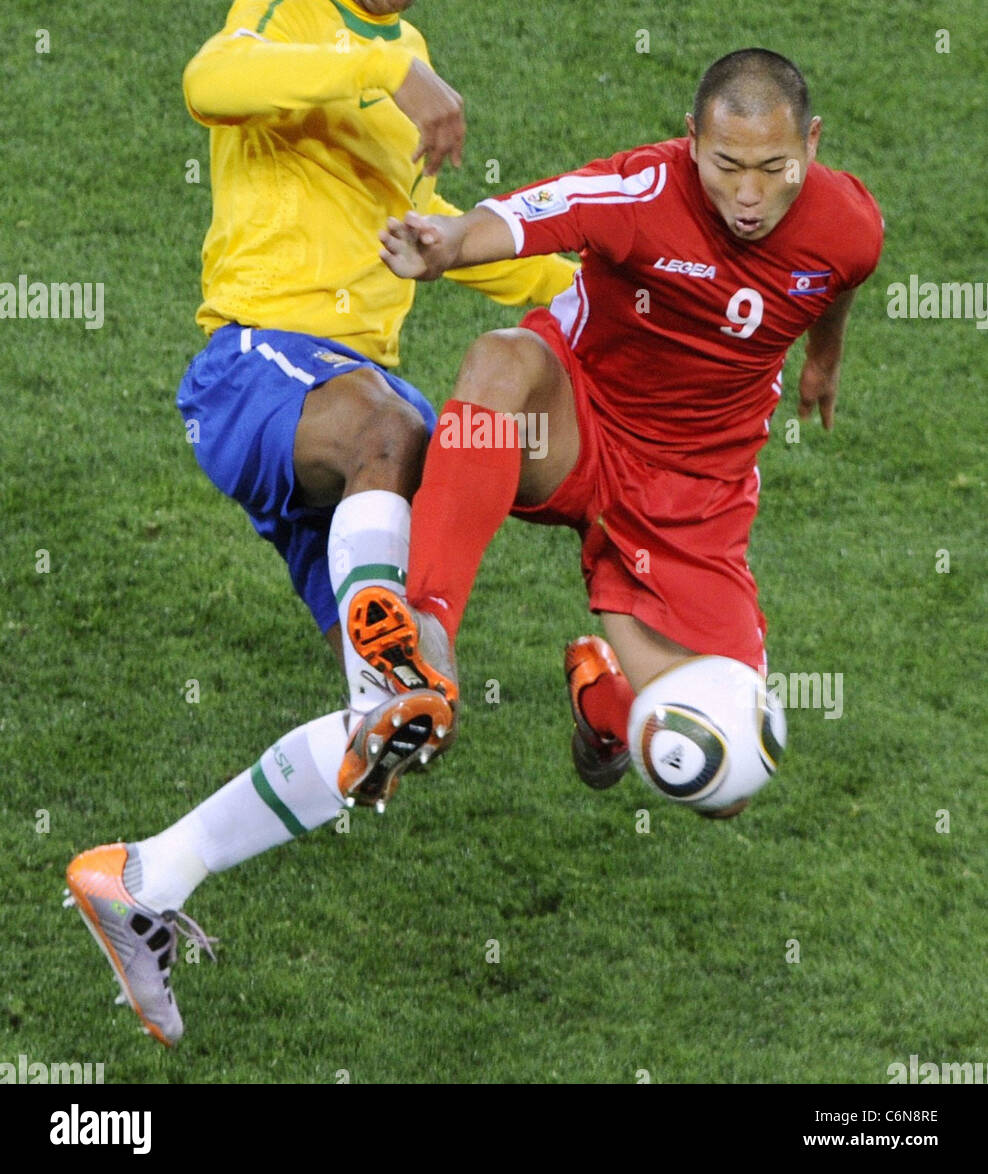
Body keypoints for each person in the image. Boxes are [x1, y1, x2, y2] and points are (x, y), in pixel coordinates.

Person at [63, 0, 573, 1047]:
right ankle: (386, 659)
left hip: (345, 418)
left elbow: (426, 224)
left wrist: (603, 282)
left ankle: (144, 877)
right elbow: (210, 80)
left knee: (401, 733)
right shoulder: (280, 16)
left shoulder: (401, 54)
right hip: (261, 368)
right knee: (399, 420)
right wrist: (374, 73)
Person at [350, 47, 883, 810]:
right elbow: (526, 214)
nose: (749, 194)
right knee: (502, 359)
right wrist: (448, 246)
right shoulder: (644, 189)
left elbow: (838, 279)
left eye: (775, 167)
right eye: (727, 164)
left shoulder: (850, 225)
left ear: (813, 144)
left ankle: (605, 703)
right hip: (577, 427)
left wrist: (823, 361)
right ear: (692, 136)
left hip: (694, 496)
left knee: (724, 778)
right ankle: (429, 635)